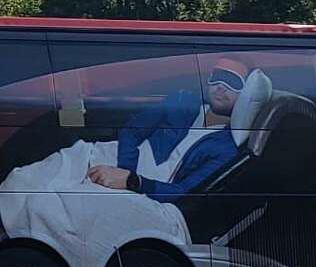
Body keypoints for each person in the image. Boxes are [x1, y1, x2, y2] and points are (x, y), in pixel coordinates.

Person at [85, 59, 251, 201]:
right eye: (218, 77)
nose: (221, 87)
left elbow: (185, 192)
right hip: (104, 157)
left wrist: (132, 182)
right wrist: (125, 170)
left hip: (137, 193)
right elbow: (132, 130)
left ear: (247, 94)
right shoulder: (181, 102)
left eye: (232, 81)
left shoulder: (227, 147)